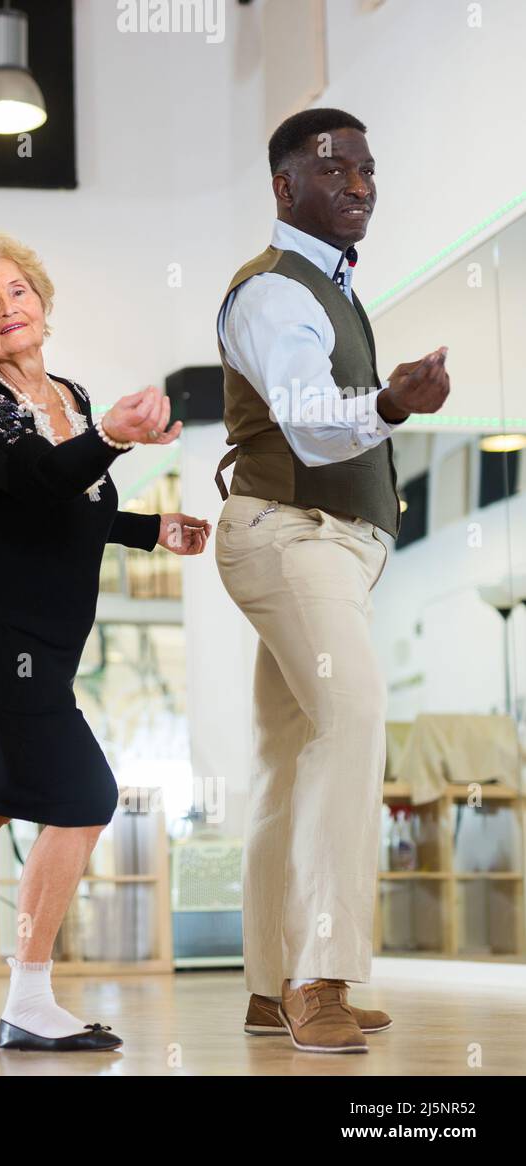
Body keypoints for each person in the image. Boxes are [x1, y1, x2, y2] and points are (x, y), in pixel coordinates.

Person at [0, 231, 209, 1052]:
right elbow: (44, 480)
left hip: (52, 634)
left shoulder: (73, 394)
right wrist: (120, 439)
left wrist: (149, 528)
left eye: (16, 291)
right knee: (87, 799)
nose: (6, 309)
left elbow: (75, 506)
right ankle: (28, 997)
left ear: (43, 303)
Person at [214, 109, 450, 1053]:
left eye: (366, 167)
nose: (358, 183)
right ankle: (319, 976)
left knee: (291, 753)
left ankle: (270, 987)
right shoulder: (276, 292)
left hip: (321, 546)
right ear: (284, 187)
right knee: (352, 717)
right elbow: (314, 424)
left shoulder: (332, 288)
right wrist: (390, 401)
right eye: (333, 167)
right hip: (292, 533)